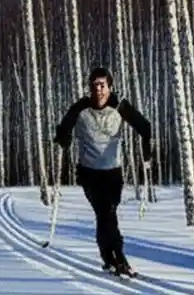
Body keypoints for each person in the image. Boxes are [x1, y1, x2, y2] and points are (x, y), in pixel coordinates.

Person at [53, 67, 153, 277]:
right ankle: (119, 256)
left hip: (113, 172)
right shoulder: (80, 108)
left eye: (102, 85)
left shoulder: (119, 106)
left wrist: (146, 151)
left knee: (107, 214)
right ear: (90, 88)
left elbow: (145, 126)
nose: (98, 90)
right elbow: (65, 127)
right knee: (105, 211)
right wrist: (64, 138)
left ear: (109, 87)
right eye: (95, 85)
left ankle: (108, 258)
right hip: (89, 172)